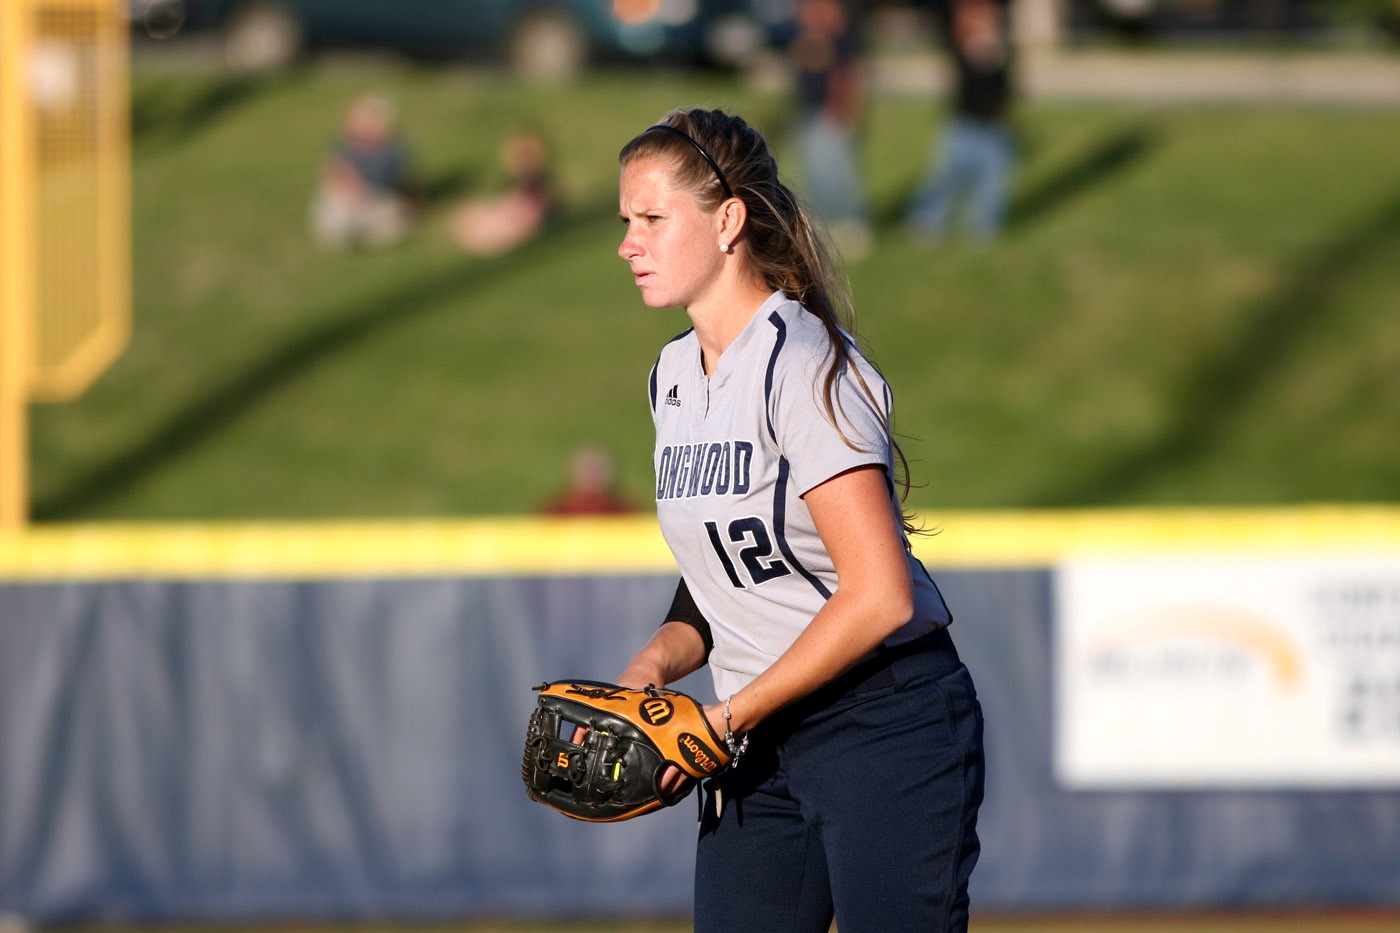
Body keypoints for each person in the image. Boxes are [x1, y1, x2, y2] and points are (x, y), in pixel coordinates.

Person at [613, 108, 984, 932]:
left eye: (650, 219)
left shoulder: (803, 360)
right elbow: (726, 561)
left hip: (882, 721)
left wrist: (722, 718)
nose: (627, 243)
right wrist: (652, 666)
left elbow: (880, 594)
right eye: (625, 222)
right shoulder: (672, 374)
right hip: (759, 737)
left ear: (728, 221)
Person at [907, 0, 1017, 244]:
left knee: (993, 182)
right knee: (944, 176)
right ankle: (926, 220)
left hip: (994, 128)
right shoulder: (960, 47)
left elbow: (1008, 88)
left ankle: (984, 226)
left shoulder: (1001, 51)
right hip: (963, 125)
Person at [788, 0, 872, 260]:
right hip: (808, 113)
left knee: (839, 173)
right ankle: (818, 228)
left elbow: (850, 77)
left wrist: (847, 111)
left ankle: (851, 224)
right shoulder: (803, 32)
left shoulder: (842, 37)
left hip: (832, 113)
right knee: (814, 174)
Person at [309, 93, 418, 250]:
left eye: (373, 121)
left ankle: (370, 233)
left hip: (378, 198)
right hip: (348, 197)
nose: (367, 126)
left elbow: (406, 181)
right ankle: (344, 235)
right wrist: (346, 190)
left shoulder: (394, 151)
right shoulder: (343, 147)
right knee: (337, 212)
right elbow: (331, 175)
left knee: (393, 214)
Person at [449, 125, 556, 258]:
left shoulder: (534, 188)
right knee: (467, 216)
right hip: (511, 221)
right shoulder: (526, 184)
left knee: (469, 219)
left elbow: (525, 221)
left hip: (515, 224)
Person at [537, 444, 637, 516]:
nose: (592, 477)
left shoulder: (625, 511)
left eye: (597, 470)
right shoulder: (557, 510)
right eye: (587, 469)